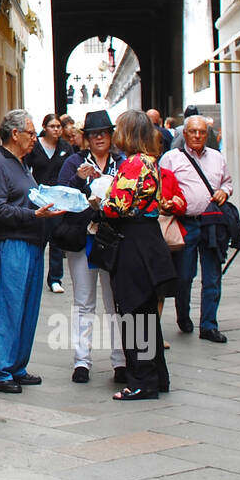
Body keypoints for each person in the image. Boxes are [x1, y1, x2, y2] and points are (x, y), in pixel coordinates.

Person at [0, 109, 64, 392]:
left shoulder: (21, 163)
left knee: (28, 308)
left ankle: (17, 366)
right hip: (13, 242)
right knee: (10, 306)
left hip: (32, 243)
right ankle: (0, 372)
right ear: (14, 134)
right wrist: (35, 215)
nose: (34, 139)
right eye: (30, 133)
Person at [100, 110, 177, 400]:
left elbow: (116, 205)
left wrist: (99, 203)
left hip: (133, 241)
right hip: (147, 238)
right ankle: (157, 377)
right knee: (145, 313)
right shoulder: (151, 161)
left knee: (133, 313)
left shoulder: (133, 163)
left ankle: (142, 381)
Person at [56, 110, 125, 383]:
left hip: (111, 240)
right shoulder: (73, 162)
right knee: (83, 302)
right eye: (94, 134)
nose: (99, 138)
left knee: (114, 303)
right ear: (85, 138)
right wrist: (79, 180)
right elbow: (62, 195)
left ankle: (120, 361)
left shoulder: (120, 163)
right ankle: (82, 361)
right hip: (82, 240)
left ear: (111, 136)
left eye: (104, 133)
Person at [159, 115, 234, 343]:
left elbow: (228, 183)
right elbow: (161, 187)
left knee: (213, 275)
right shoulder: (171, 158)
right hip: (185, 223)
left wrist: (225, 191)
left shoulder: (218, 158)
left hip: (212, 223)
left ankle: (209, 325)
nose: (198, 136)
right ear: (185, 134)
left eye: (202, 132)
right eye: (193, 131)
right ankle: (183, 315)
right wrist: (170, 201)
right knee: (184, 275)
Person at [27, 113, 73, 293]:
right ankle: (34, 275)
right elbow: (27, 169)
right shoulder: (35, 147)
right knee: (37, 238)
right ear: (44, 127)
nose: (56, 130)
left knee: (56, 239)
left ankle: (55, 279)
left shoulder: (66, 147)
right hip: (39, 199)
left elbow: (71, 170)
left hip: (59, 199)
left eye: (59, 126)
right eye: (52, 126)